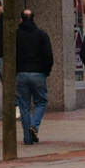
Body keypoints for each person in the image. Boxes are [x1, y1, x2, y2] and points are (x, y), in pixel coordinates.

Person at [15, 8, 53, 145]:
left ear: (21, 19)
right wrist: (46, 71)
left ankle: (27, 138)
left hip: (21, 73)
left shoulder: (16, 35)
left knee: (24, 106)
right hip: (38, 73)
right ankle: (34, 125)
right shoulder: (41, 34)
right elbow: (48, 56)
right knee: (41, 102)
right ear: (33, 18)